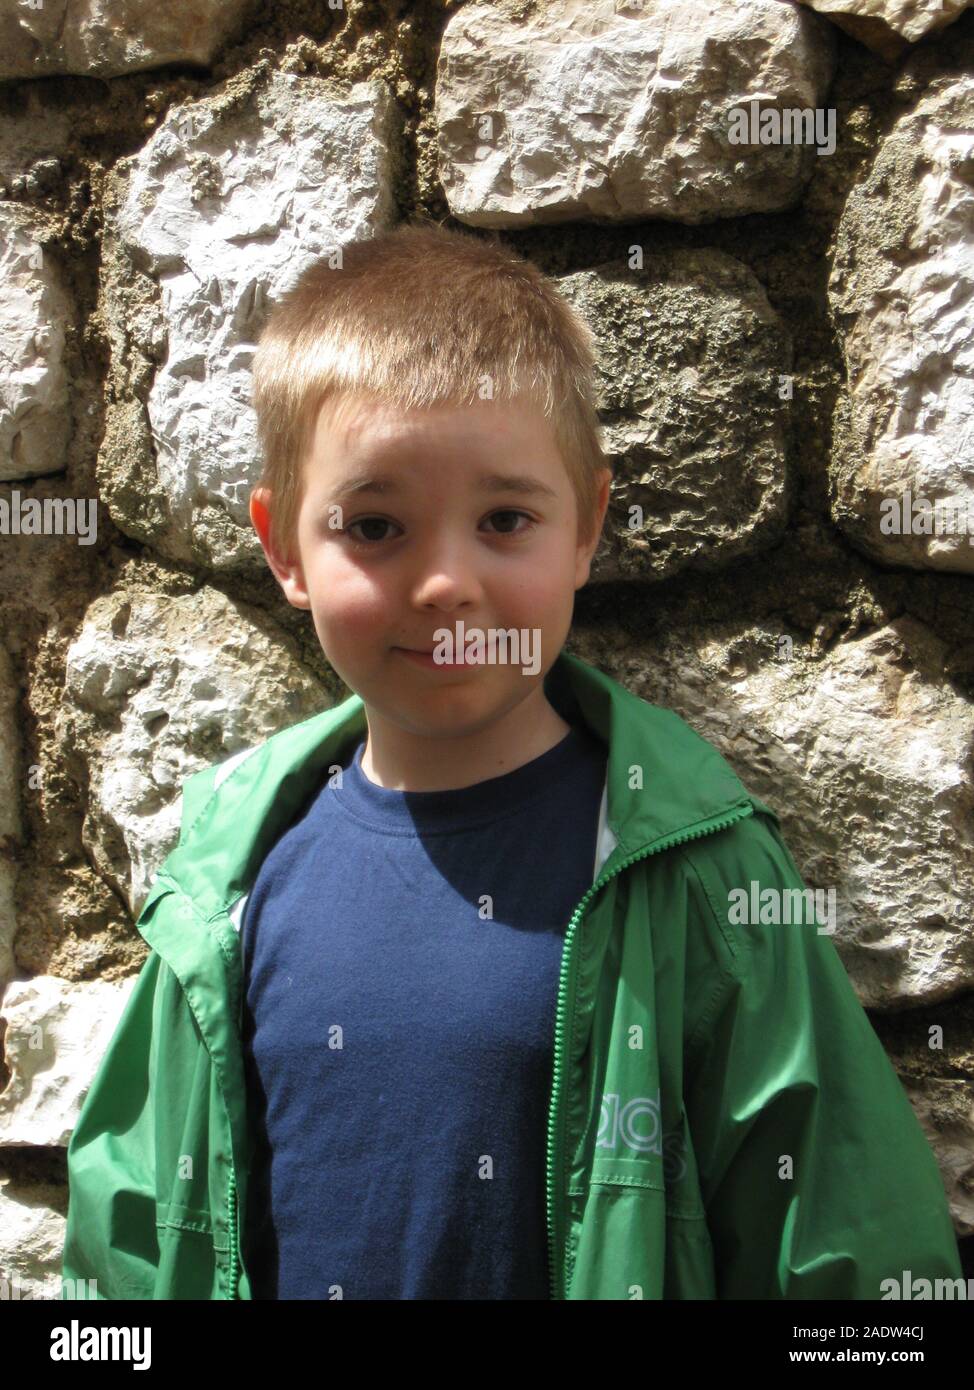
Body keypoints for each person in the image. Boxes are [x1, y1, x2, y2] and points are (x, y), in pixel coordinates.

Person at [61, 220, 963, 1300]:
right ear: (283, 549)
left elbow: (849, 1253)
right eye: (376, 526)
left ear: (584, 526)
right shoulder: (225, 885)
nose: (445, 581)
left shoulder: (696, 877)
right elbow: (124, 1255)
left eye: (502, 518)